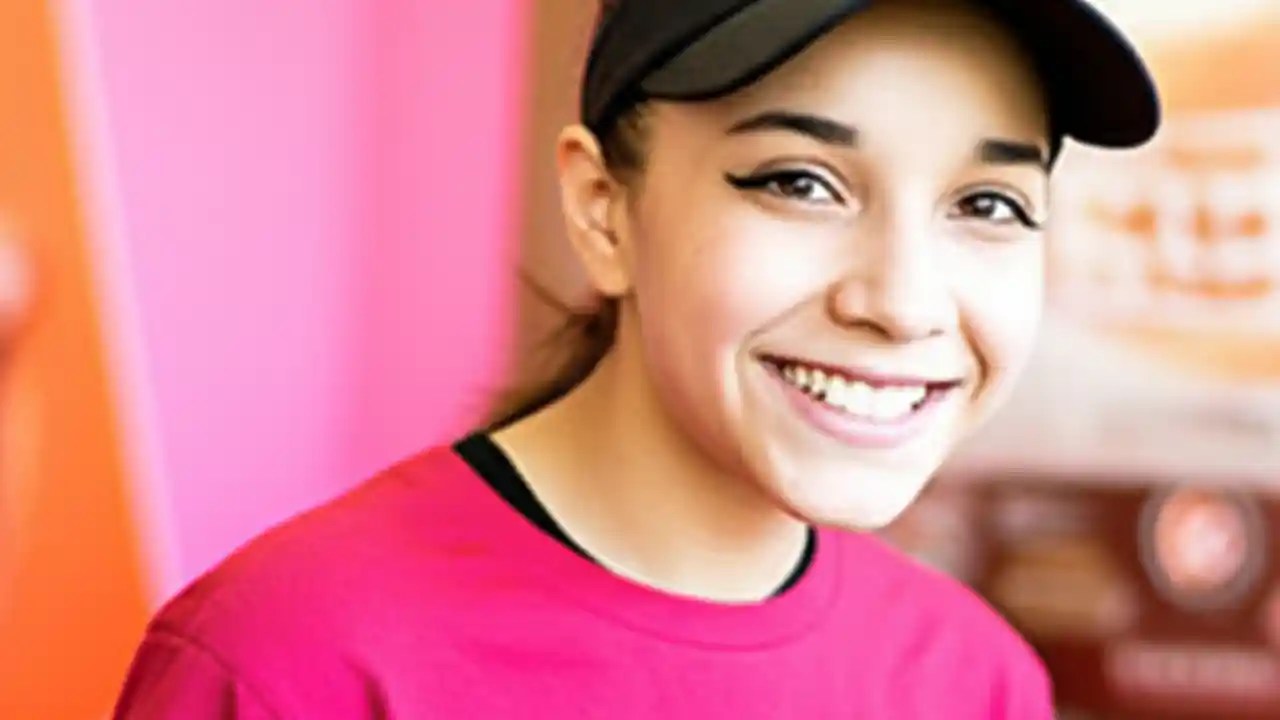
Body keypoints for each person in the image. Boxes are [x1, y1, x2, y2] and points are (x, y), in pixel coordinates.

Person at [113, 0, 1161, 717]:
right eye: (798, 181)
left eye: (985, 205)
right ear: (601, 210)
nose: (898, 301)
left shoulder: (972, 682)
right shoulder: (293, 660)